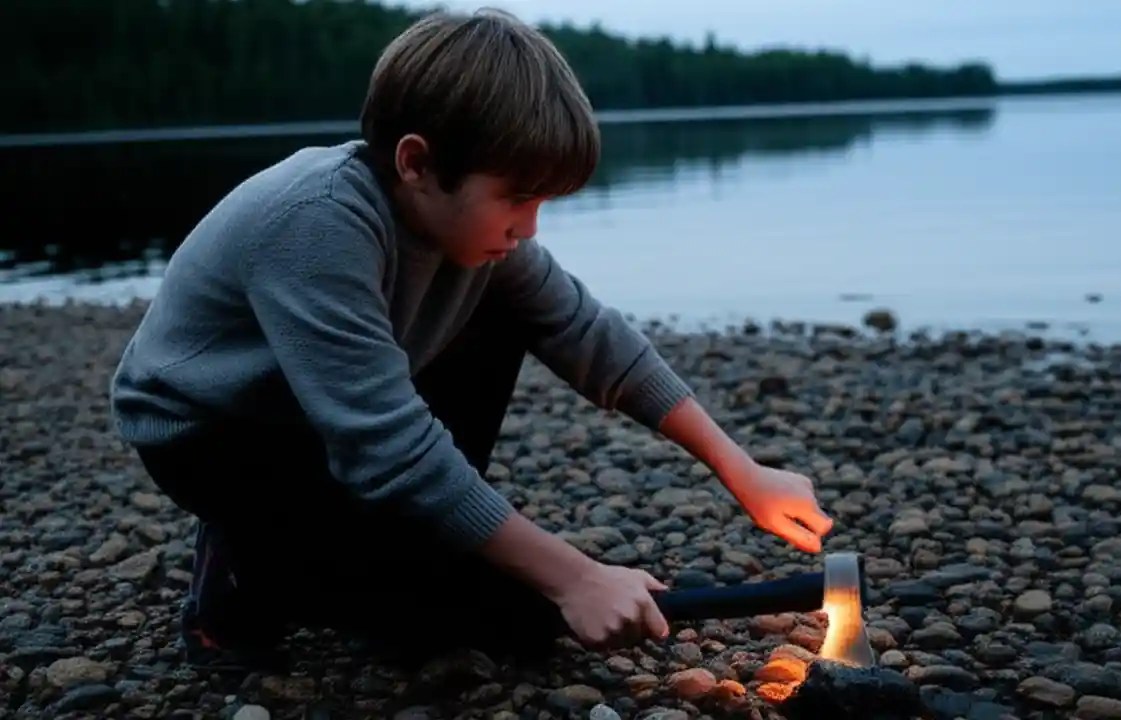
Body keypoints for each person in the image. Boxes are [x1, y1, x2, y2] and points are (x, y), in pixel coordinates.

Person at [109, 7, 834, 670]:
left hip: (332, 423)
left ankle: (374, 549)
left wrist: (741, 470)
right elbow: (387, 443)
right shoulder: (315, 224)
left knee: (506, 613)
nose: (530, 228)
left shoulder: (469, 230)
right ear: (417, 163)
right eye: (517, 199)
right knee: (510, 619)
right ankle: (240, 564)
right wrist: (576, 576)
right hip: (220, 434)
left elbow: (588, 333)